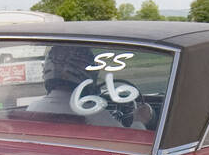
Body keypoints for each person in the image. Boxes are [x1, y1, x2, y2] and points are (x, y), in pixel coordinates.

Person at [24, 44, 153, 129]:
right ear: (87, 73)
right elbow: (127, 144)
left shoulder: (34, 108)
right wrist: (138, 120)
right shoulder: (93, 114)